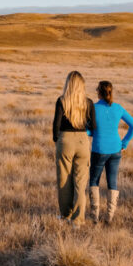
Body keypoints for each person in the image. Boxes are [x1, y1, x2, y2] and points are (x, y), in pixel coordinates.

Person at [88, 80, 133, 224]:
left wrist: (92, 132)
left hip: (99, 149)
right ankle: (109, 217)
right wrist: (125, 142)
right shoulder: (118, 108)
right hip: (116, 149)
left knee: (94, 181)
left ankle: (95, 216)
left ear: (99, 92)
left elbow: (88, 129)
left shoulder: (93, 108)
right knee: (112, 182)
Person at [52, 70, 97, 223]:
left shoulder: (61, 101)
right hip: (83, 141)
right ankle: (78, 220)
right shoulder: (88, 102)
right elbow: (94, 125)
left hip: (65, 140)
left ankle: (66, 215)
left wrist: (57, 139)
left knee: (64, 179)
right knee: (80, 182)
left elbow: (55, 125)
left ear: (68, 84)